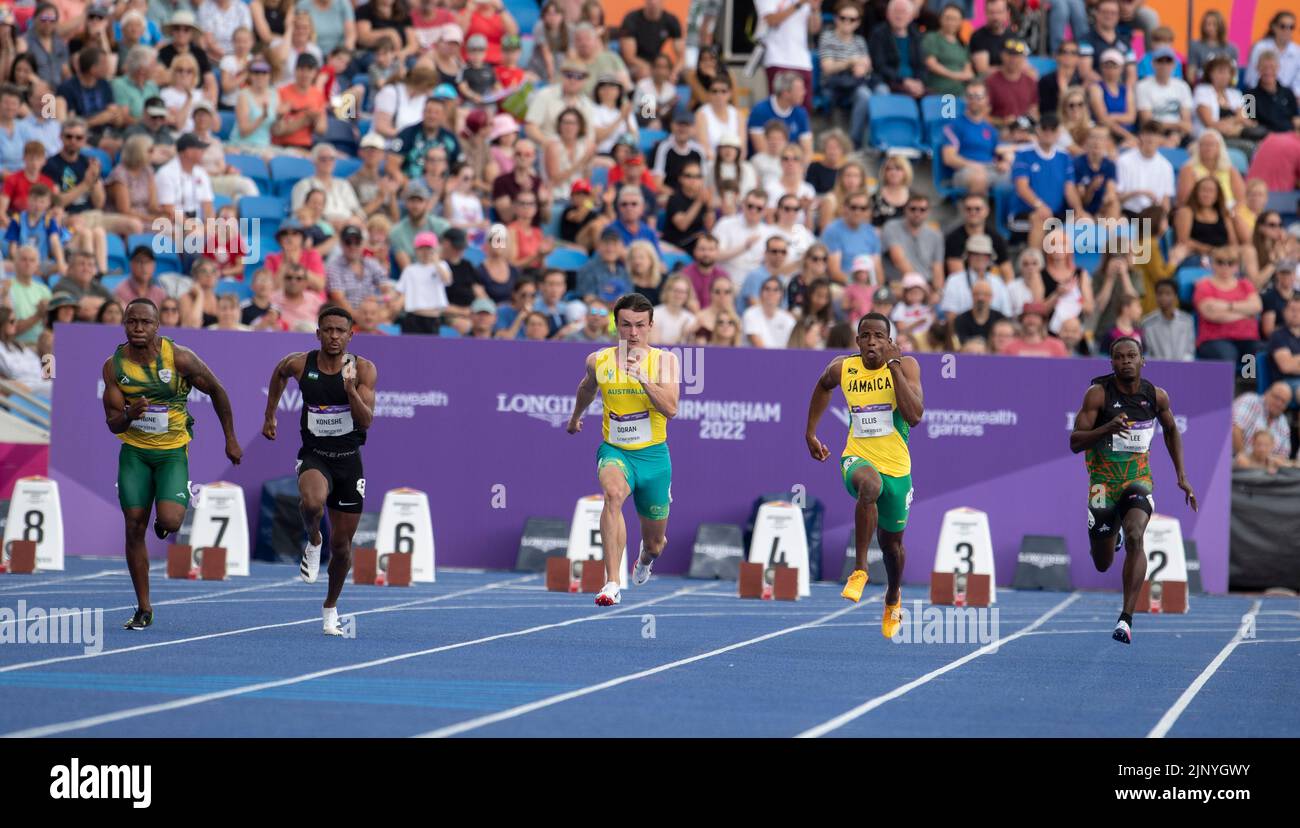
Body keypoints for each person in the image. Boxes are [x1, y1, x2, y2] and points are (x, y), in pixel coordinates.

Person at [102, 298, 242, 629]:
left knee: (170, 521)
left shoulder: (178, 357)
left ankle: (165, 524)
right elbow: (111, 423)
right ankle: (144, 607)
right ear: (124, 325)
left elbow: (218, 391)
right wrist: (127, 416)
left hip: (172, 452)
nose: (138, 328)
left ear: (157, 326)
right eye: (132, 322)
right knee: (134, 525)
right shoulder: (113, 366)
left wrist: (231, 439)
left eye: (145, 323)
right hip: (135, 452)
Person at [1070, 337, 1197, 645]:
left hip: (1137, 479)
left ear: (1143, 361)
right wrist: (1107, 428)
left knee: (1137, 534)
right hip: (1102, 484)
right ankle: (1110, 535)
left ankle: (1126, 619)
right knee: (1102, 563)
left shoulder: (1156, 396)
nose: (1126, 361)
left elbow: (1170, 430)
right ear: (1111, 363)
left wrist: (1181, 475)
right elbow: (1075, 442)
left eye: (1132, 356)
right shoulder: (1097, 394)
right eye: (1119, 357)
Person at [805, 312, 923, 638]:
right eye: (866, 336)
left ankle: (893, 596)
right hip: (857, 457)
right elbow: (823, 385)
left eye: (879, 336)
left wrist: (895, 366)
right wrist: (811, 432)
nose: (872, 342)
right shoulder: (844, 367)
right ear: (857, 341)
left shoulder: (907, 365)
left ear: (889, 341)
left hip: (898, 468)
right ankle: (859, 570)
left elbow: (914, 416)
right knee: (868, 486)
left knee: (893, 547)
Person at [263, 307, 377, 635]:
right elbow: (280, 372)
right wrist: (270, 414)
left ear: (350, 335)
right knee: (312, 503)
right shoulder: (301, 363)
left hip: (349, 460)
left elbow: (366, 420)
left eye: (341, 331)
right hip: (315, 455)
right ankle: (313, 539)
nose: (334, 336)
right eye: (328, 330)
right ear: (318, 333)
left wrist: (350, 389)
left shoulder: (365, 370)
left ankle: (330, 609)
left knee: (342, 548)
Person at [566, 293, 681, 606]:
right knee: (613, 495)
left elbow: (671, 408)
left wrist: (643, 378)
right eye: (626, 325)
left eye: (640, 326)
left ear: (650, 325)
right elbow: (586, 388)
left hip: (654, 459)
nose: (633, 333)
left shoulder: (664, 361)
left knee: (656, 542)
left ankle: (645, 558)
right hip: (616, 451)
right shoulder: (598, 360)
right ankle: (612, 582)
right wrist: (576, 417)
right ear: (615, 325)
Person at [818, 1, 872, 139]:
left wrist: (862, 69)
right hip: (833, 86)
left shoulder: (860, 41)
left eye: (852, 19)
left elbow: (867, 66)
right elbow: (827, 68)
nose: (847, 22)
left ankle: (855, 141)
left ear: (858, 22)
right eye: (843, 18)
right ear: (836, 18)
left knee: (866, 94)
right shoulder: (827, 37)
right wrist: (850, 62)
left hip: (854, 85)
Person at [868, 0, 924, 100]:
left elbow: (921, 65)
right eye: (896, 11)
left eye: (903, 12)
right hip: (890, 82)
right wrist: (904, 81)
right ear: (887, 14)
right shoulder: (878, 34)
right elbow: (879, 66)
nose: (899, 16)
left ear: (911, 16)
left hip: (914, 84)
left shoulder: (916, 35)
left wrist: (919, 82)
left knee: (935, 102)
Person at [1140, 278, 1195, 361]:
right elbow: (1148, 352)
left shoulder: (1187, 321)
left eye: (1168, 293)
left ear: (1175, 296)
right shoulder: (1147, 323)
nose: (1163, 297)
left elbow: (1189, 351)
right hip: (1157, 369)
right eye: (1160, 294)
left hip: (1183, 368)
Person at [1267, 295, 1300, 396]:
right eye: (1292, 310)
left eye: (1299, 310)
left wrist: (1295, 360)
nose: (1296, 313)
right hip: (1286, 384)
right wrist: (1292, 363)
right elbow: (1286, 366)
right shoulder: (1278, 335)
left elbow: (1292, 363)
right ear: (1284, 312)